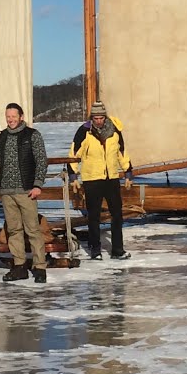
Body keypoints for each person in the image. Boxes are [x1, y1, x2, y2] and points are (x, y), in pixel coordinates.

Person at [0, 102, 50, 283]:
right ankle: (19, 266)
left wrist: (38, 184)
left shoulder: (32, 135)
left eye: (14, 116)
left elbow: (41, 161)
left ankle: (39, 267)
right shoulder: (3, 137)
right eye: (8, 117)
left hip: (27, 190)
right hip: (6, 191)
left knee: (33, 229)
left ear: (21, 117)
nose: (11, 120)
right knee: (14, 230)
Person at [71, 100, 133, 260]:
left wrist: (128, 172)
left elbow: (122, 152)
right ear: (92, 117)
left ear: (105, 117)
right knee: (93, 216)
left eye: (101, 118)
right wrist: (73, 176)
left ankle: (118, 250)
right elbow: (74, 154)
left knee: (117, 214)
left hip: (111, 178)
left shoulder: (115, 131)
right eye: (95, 118)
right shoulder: (84, 131)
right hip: (92, 179)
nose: (98, 121)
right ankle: (95, 249)